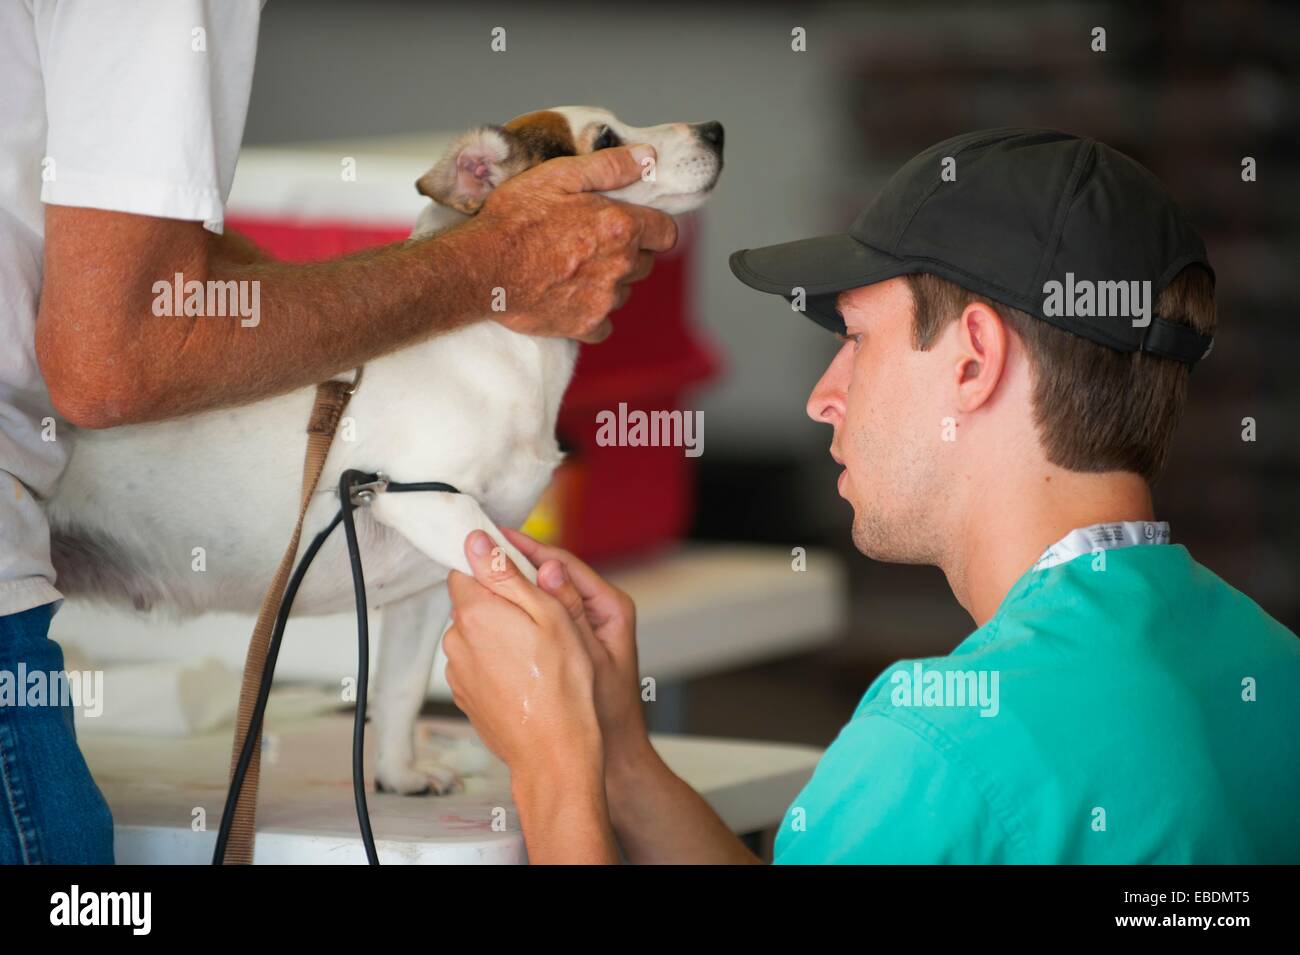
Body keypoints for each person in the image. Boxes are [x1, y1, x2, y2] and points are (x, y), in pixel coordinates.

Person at [443, 128, 1300, 863]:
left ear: (974, 361)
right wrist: (621, 757)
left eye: (856, 337)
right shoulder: (1271, 667)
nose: (824, 395)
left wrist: (552, 766)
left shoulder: (940, 748)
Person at [0, 0, 674, 864]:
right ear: (479, 179)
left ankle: (393, 750)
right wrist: (491, 265)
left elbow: (130, 262)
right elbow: (108, 361)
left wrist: (394, 750)